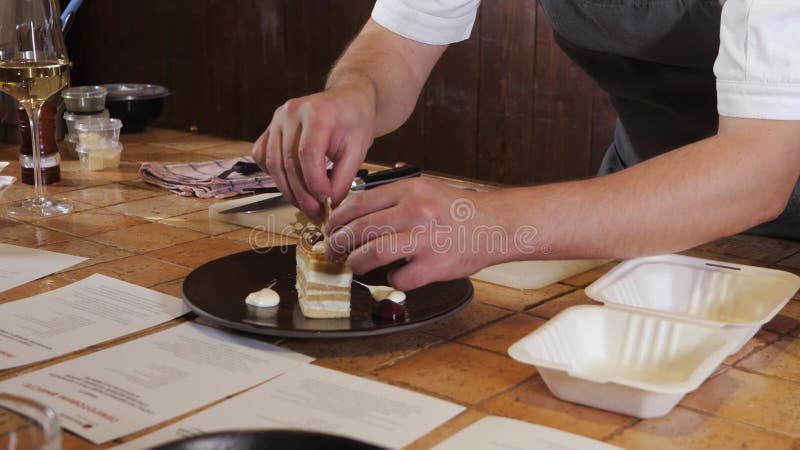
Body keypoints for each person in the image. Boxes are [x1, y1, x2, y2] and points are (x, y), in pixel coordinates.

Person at [252, 0, 800, 291]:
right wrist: (357, 93)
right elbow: (399, 40)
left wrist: (486, 224)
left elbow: (758, 171)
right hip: (636, 207)